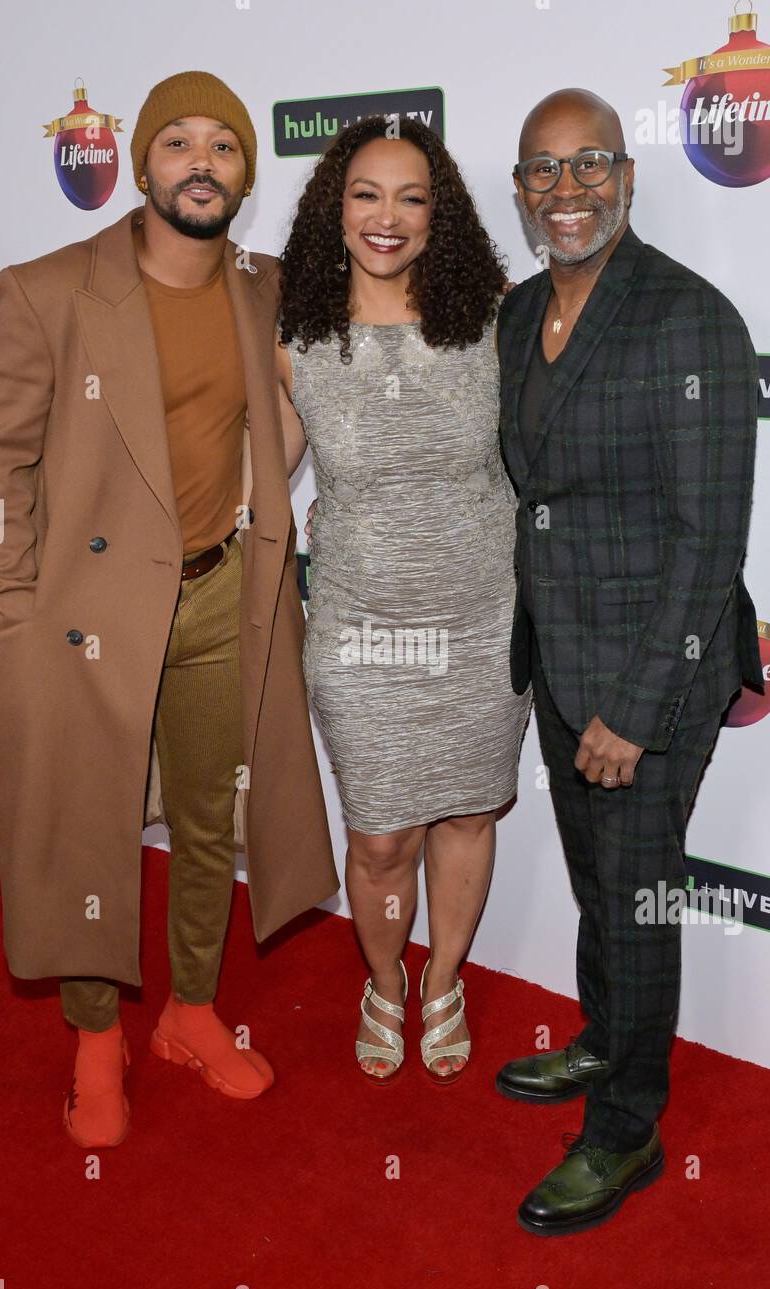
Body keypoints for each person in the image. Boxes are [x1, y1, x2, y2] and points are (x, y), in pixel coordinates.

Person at [0, 71, 337, 1149]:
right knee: (91, 826)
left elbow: (288, 420)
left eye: (223, 146)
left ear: (245, 176)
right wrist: (15, 613)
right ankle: (94, 1037)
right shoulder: (52, 289)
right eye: (179, 142)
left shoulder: (264, 290)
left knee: (212, 820)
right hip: (85, 617)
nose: (202, 163)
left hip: (225, 597)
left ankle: (190, 1009)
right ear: (142, 164)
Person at [496, 89, 765, 1232]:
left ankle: (626, 1132)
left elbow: (711, 540)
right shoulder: (515, 315)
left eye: (590, 164)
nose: (568, 190)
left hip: (653, 668)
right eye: (544, 172)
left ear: (628, 177)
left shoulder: (688, 320)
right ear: (520, 193)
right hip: (558, 654)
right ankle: (605, 1044)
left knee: (638, 898)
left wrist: (640, 710)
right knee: (600, 889)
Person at [275, 115, 531, 1084]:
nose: (387, 217)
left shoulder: (497, 316)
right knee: (380, 835)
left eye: (411, 197)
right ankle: (386, 982)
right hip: (361, 630)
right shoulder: (297, 336)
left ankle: (447, 979)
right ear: (333, 208)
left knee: (466, 815)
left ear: (441, 212)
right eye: (366, 195)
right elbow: (268, 482)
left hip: (481, 622)